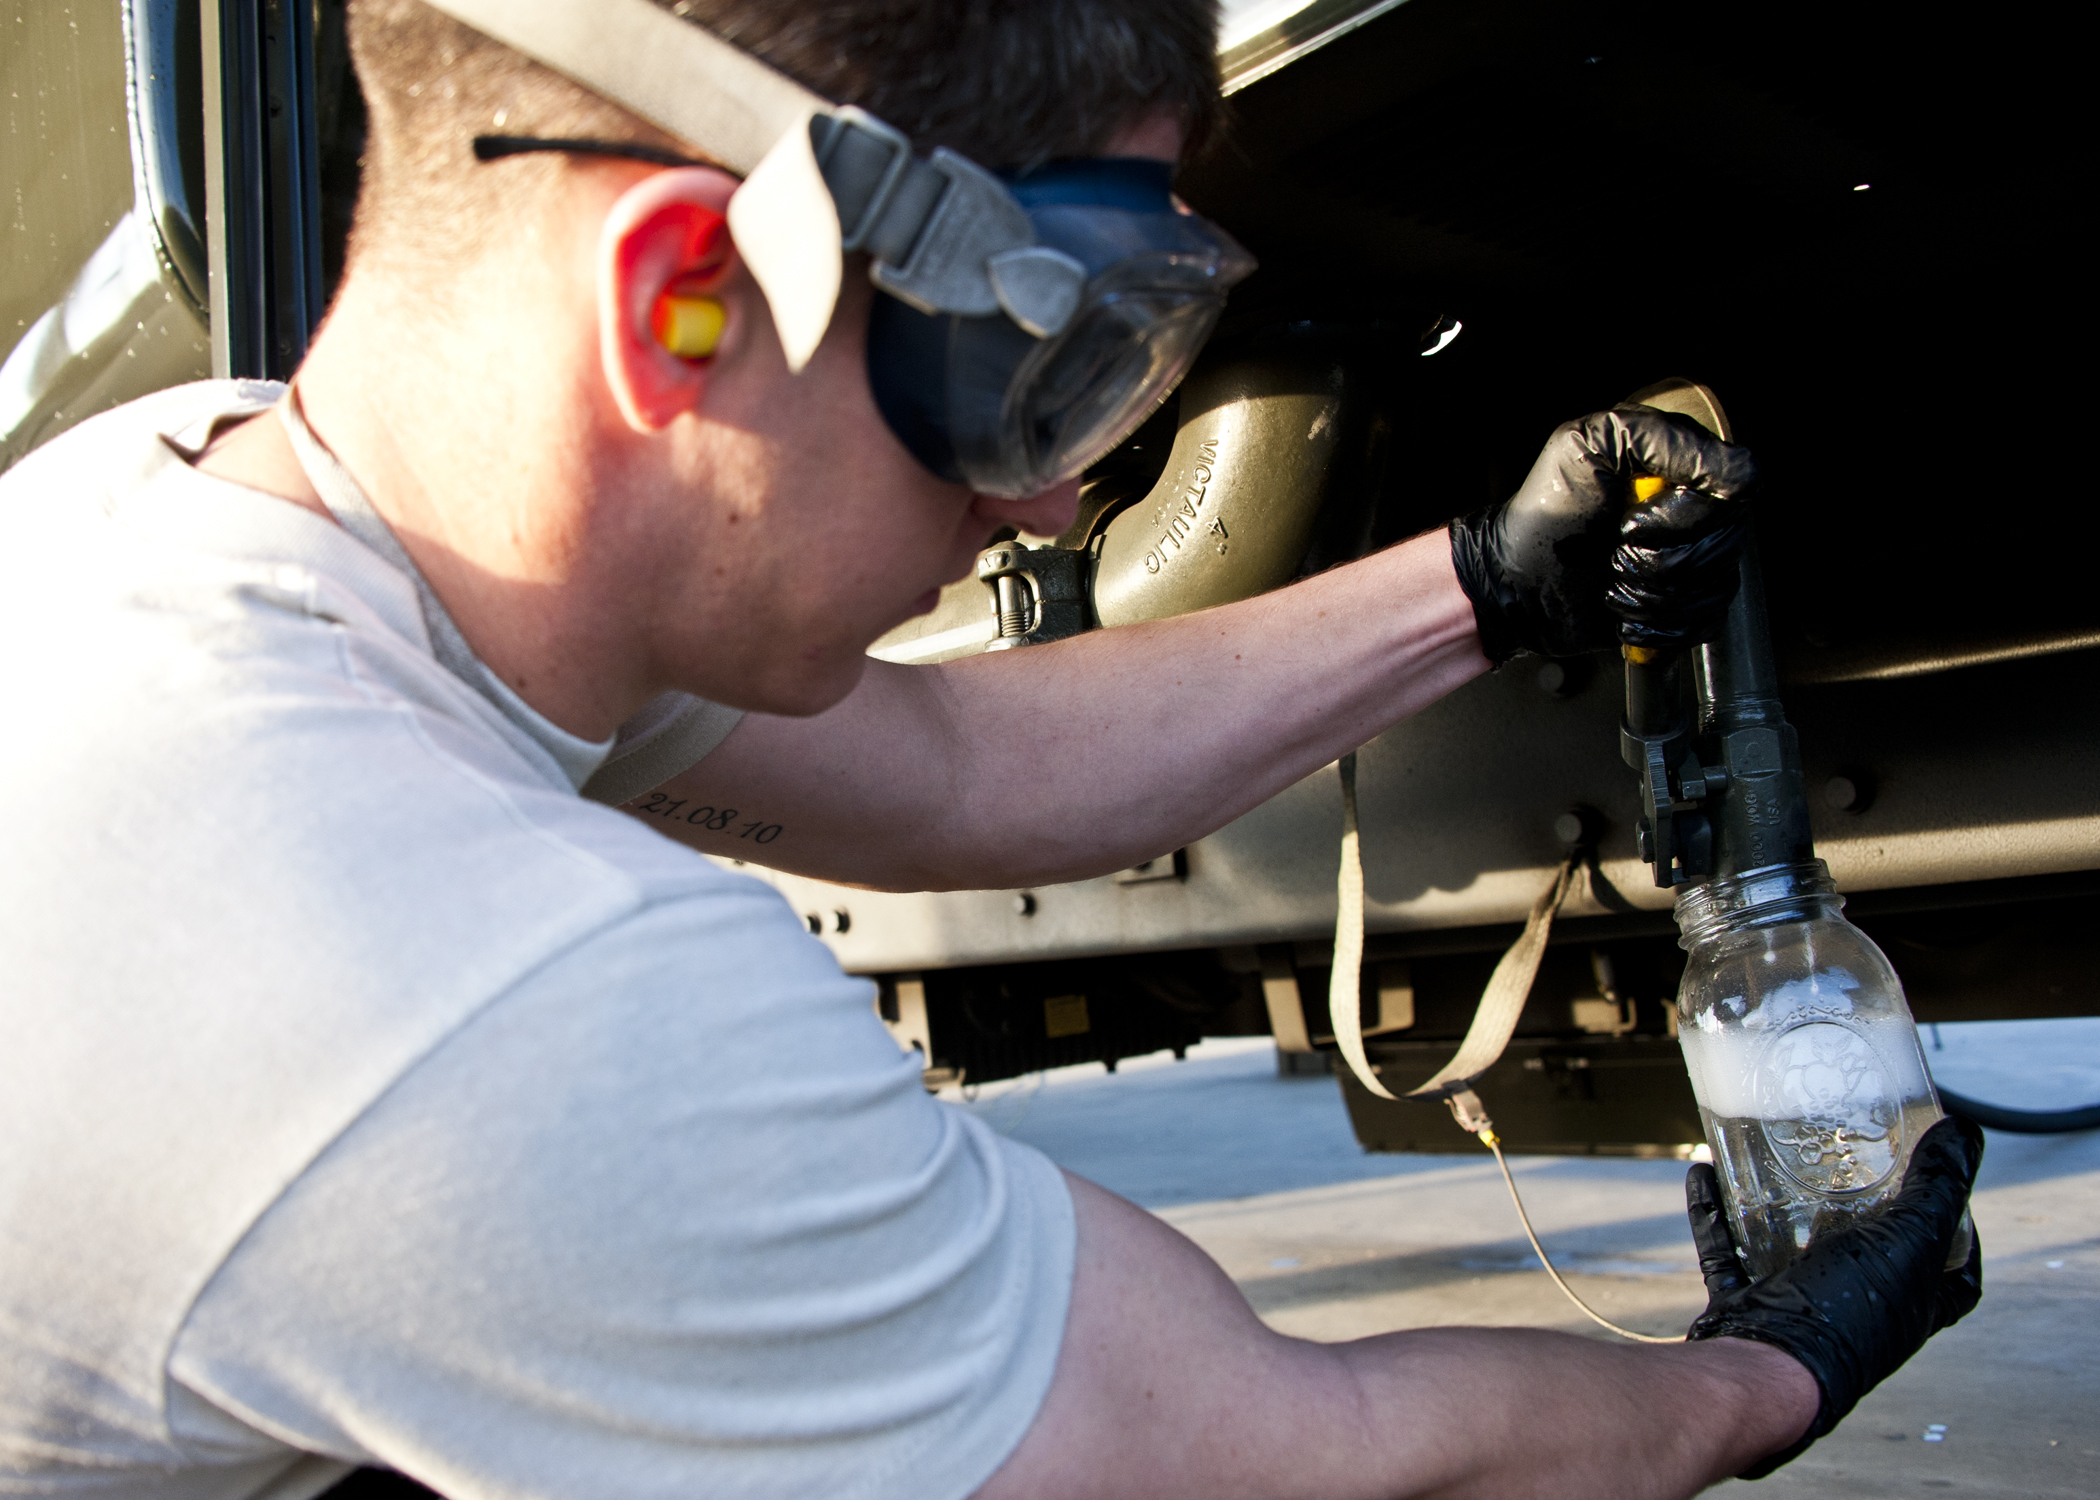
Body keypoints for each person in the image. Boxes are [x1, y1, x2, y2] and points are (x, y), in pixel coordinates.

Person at [0, 1, 1981, 1497]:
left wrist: (1481, 576)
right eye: (1035, 363)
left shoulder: (185, 523)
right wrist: (1774, 1366)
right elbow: (1280, 1463)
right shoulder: (457, 1001)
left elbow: (964, 772)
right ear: (683, 294)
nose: (1045, 513)